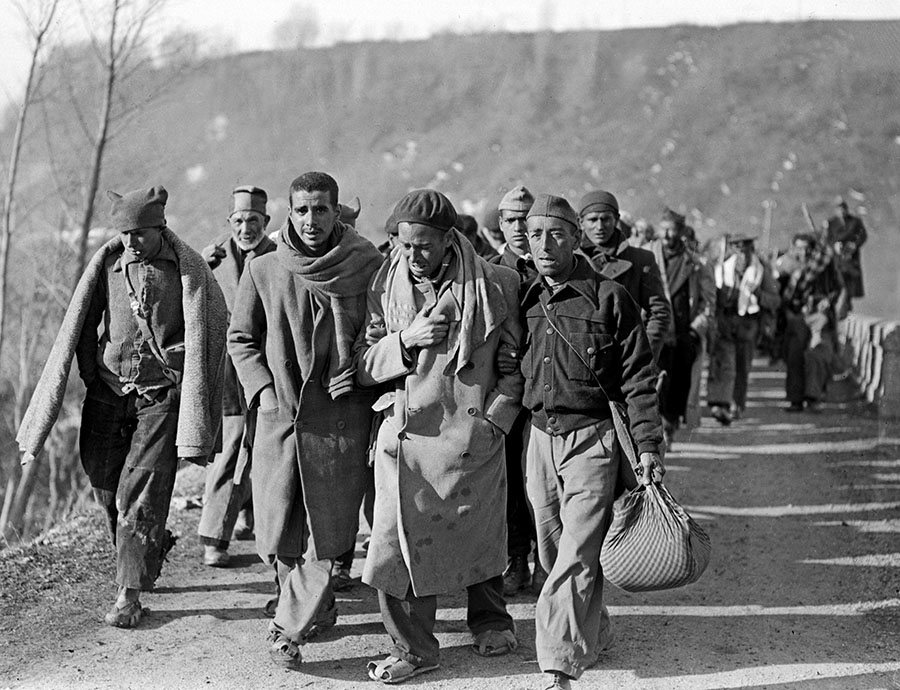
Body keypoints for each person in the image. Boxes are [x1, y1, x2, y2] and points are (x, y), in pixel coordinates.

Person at [17, 185, 227, 628]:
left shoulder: (187, 269)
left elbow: (213, 325)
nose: (132, 242)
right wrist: (94, 377)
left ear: (160, 226)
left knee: (141, 490)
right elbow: (82, 323)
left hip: (161, 396)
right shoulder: (109, 265)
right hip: (108, 394)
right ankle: (148, 548)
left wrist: (184, 366)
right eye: (126, 233)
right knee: (105, 486)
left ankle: (128, 595)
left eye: (141, 233)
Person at [357, 189, 524, 684]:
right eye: (404, 245)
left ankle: (491, 621)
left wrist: (495, 421)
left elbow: (515, 367)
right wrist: (405, 342)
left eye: (423, 245)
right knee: (393, 542)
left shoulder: (499, 284)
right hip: (406, 437)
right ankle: (414, 648)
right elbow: (364, 366)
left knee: (480, 531)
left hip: (473, 434)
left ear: (449, 239)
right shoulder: (384, 286)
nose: (412, 256)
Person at [227, 171, 382, 667]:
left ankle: (287, 628)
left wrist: (358, 368)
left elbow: (383, 332)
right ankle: (312, 602)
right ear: (288, 214)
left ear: (338, 213)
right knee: (277, 530)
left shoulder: (367, 267)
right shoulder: (264, 270)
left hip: (342, 419)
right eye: (301, 210)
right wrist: (265, 393)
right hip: (282, 417)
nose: (311, 219)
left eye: (320, 209)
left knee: (327, 532)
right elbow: (241, 340)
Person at [518, 194, 664, 690]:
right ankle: (593, 628)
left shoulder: (609, 298)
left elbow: (640, 378)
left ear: (576, 238)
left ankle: (558, 663)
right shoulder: (524, 297)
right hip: (539, 440)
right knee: (551, 547)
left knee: (578, 551)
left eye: (556, 233)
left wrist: (647, 447)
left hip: (593, 441)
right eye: (535, 234)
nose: (543, 244)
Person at [197, 186, 276, 567]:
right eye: (239, 221)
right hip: (226, 370)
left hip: (268, 367)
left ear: (267, 223)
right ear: (229, 223)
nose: (246, 228)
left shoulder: (278, 258)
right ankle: (215, 536)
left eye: (253, 221)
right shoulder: (210, 261)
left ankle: (252, 517)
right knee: (231, 445)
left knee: (264, 446)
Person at [488, 185, 545, 596]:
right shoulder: (487, 272)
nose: (519, 228)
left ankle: (546, 559)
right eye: (511, 220)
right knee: (507, 479)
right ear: (501, 225)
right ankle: (515, 559)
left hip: (545, 391)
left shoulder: (552, 270)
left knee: (541, 482)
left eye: (527, 220)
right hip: (504, 394)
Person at [578, 190, 670, 362]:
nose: (599, 226)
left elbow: (659, 311)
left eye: (605, 219)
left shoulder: (640, 260)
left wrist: (643, 354)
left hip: (622, 359)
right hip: (577, 358)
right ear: (580, 222)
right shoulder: (570, 259)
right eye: (592, 220)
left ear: (617, 220)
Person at [650, 207, 715, 444]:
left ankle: (671, 424)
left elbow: (707, 302)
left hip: (683, 334)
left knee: (680, 382)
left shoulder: (695, 263)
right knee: (657, 382)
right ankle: (659, 427)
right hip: (655, 332)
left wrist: (696, 329)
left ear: (681, 231)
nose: (667, 235)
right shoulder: (647, 257)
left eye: (672, 230)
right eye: (663, 229)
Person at [706, 231, 780, 423]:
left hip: (748, 326)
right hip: (725, 324)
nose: (742, 254)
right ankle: (720, 403)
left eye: (745, 249)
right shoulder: (721, 269)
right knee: (723, 364)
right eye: (737, 248)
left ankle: (736, 405)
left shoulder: (761, 272)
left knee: (742, 367)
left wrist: (759, 296)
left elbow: (775, 300)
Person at [777, 232, 846, 411]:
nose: (802, 252)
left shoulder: (825, 267)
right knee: (795, 357)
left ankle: (814, 397)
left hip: (820, 317)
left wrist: (826, 305)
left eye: (806, 248)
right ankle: (795, 399)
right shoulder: (791, 269)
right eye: (798, 248)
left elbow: (837, 288)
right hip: (798, 317)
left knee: (816, 356)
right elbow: (784, 296)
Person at [825, 196, 867, 305]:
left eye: (843, 209)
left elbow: (863, 235)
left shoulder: (855, 222)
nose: (842, 211)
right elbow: (827, 239)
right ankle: (841, 306)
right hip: (838, 257)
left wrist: (854, 244)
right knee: (839, 280)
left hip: (851, 257)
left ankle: (847, 306)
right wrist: (834, 245)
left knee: (851, 281)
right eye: (839, 209)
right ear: (836, 210)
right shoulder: (831, 223)